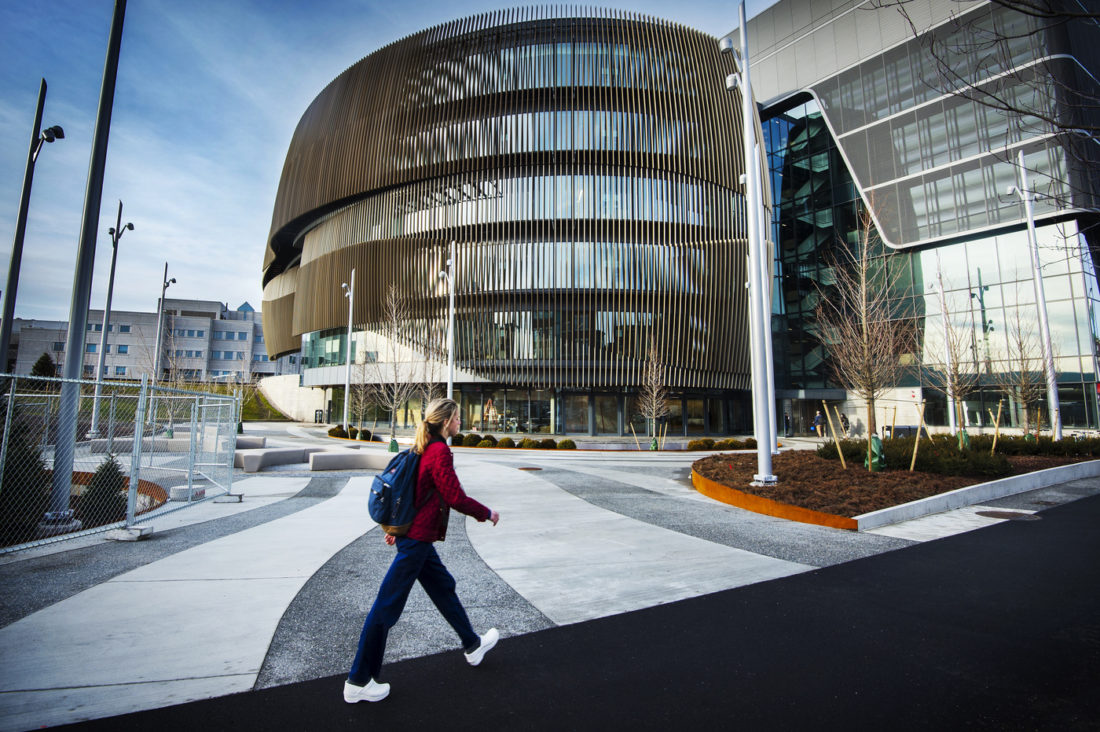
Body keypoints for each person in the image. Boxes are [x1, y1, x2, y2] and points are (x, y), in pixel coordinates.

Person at [344, 398, 501, 704]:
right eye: (457, 418)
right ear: (446, 422)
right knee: (385, 607)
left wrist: (397, 530)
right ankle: (359, 680)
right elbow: (454, 497)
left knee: (443, 587)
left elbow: (411, 493)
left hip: (417, 538)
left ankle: (472, 645)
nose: (461, 423)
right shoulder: (438, 451)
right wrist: (487, 513)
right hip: (415, 542)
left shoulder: (425, 446)